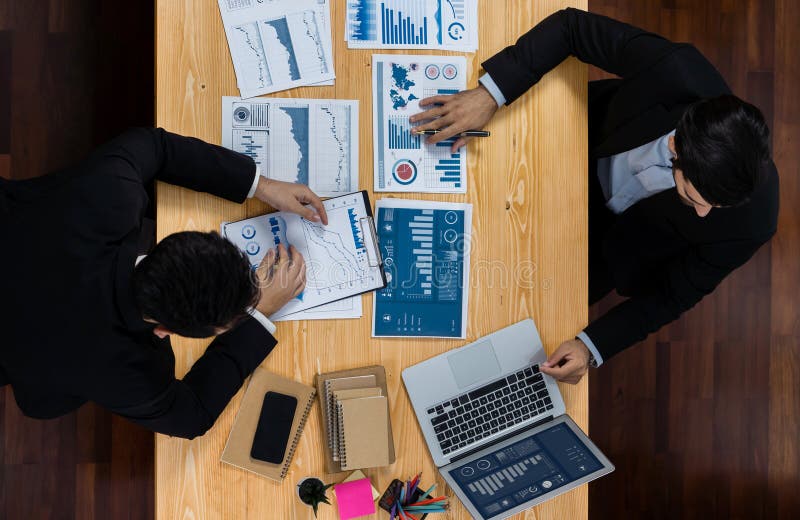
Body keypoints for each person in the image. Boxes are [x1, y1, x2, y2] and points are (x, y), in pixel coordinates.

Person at [410, 8, 778, 384]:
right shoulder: (677, 70)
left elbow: (672, 296)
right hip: (570, 145)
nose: (703, 214)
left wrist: (592, 346)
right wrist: (490, 94)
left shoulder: (754, 222)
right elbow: (572, 28)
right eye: (694, 195)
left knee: (489, 312)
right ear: (674, 146)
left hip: (604, 247)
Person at [0, 128, 328, 438]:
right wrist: (260, 312)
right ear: (164, 331)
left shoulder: (110, 194)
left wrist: (262, 185)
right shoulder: (123, 371)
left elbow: (155, 146)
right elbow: (192, 415)